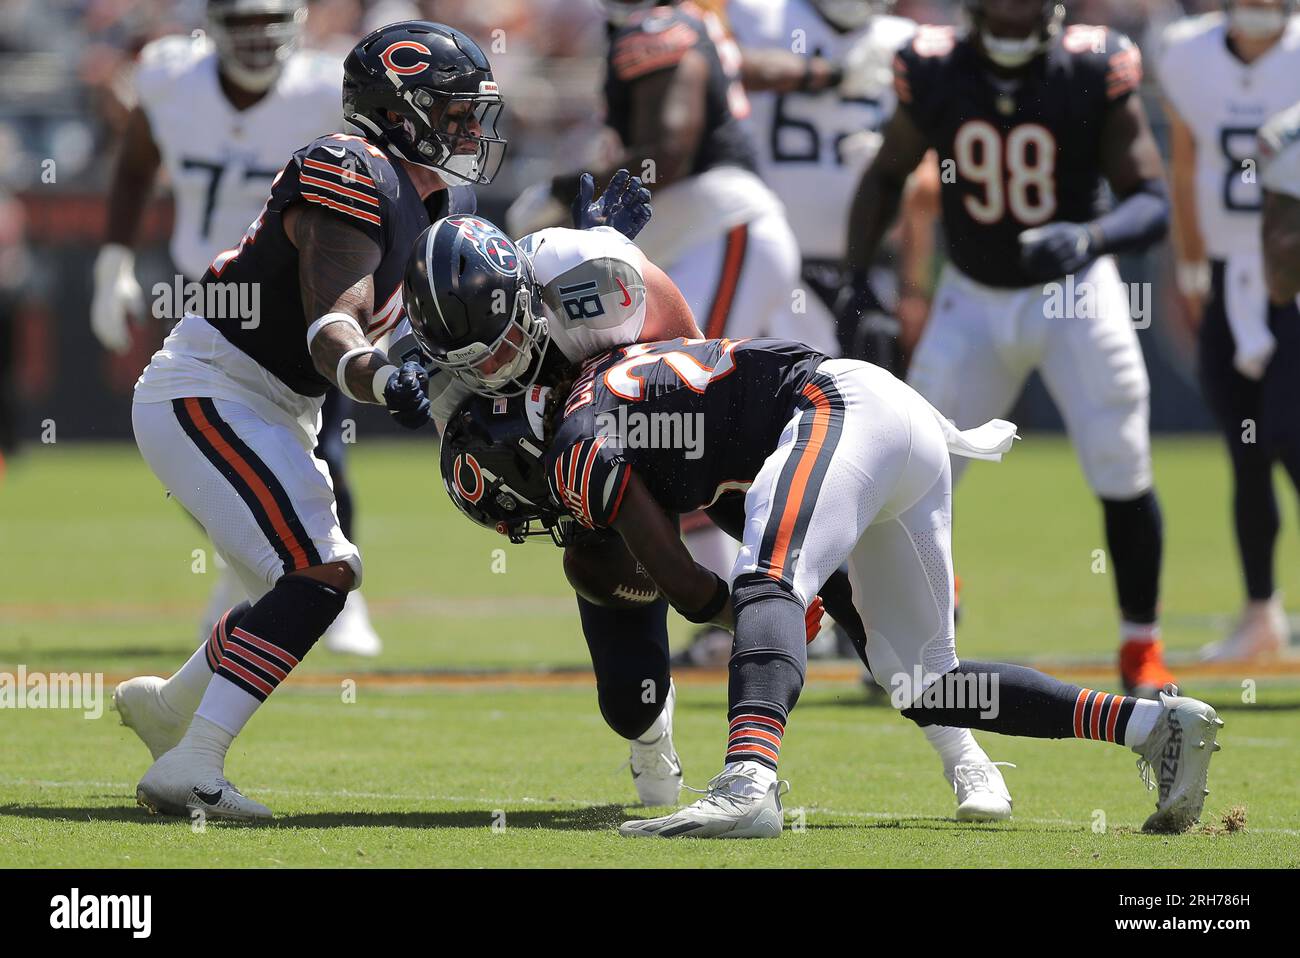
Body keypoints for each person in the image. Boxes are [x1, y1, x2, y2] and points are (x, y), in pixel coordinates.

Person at [414, 216, 1016, 821]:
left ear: (525, 292)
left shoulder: (589, 275)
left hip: (667, 437)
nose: (497, 370)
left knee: (845, 593)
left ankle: (962, 753)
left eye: (502, 346)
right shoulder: (447, 390)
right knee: (624, 684)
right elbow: (487, 464)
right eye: (476, 365)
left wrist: (668, 477)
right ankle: (652, 738)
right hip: (582, 460)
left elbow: (693, 362)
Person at [532, 334, 1222, 839]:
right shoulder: (635, 386)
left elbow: (683, 579)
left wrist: (749, 612)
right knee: (926, 682)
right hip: (893, 422)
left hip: (838, 409)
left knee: (765, 580)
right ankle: (1155, 725)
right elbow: (797, 539)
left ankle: (748, 780)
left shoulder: (582, 425)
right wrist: (788, 610)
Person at [115, 20, 505, 820]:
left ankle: (169, 708)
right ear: (396, 111)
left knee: (291, 579)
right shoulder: (346, 168)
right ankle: (194, 763)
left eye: (473, 111)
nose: (470, 128)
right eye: (452, 110)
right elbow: (333, 324)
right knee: (323, 571)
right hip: (209, 387)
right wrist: (378, 376)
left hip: (268, 403)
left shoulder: (438, 193)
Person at [845, 0, 1174, 697]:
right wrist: (857, 286)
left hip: (1076, 293)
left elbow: (1151, 197)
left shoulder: (1093, 64)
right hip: (970, 294)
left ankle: (1141, 647)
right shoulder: (933, 67)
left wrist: (1091, 237)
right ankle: (918, 623)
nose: (1013, 13)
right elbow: (885, 174)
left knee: (1121, 459)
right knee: (910, 466)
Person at [90, 0, 386, 656]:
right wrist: (113, 263)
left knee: (315, 449)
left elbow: (380, 182)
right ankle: (251, 572)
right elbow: (137, 164)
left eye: (267, 20)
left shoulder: (324, 89)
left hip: (299, 288)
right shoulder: (171, 78)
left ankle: (338, 590)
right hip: (211, 292)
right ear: (213, 26)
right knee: (204, 448)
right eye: (241, 21)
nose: (256, 36)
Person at [1158, 0, 1300, 661]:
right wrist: (1190, 265)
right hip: (1226, 271)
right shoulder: (1189, 55)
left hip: (1292, 274)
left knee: (1286, 435)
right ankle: (1262, 612)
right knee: (1246, 454)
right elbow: (1183, 164)